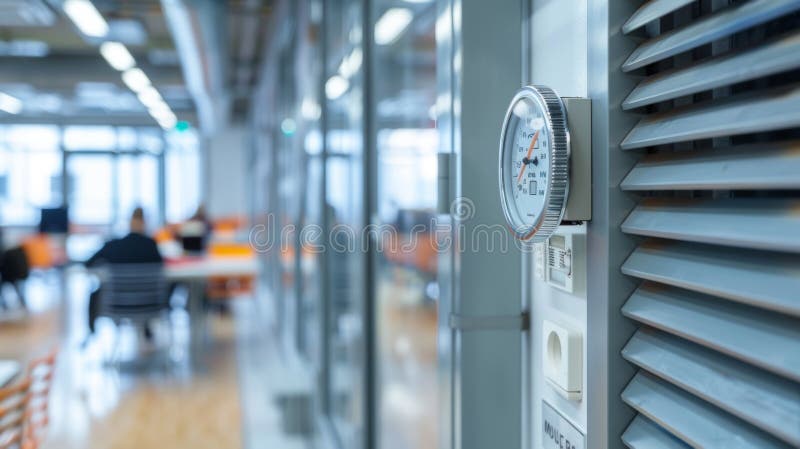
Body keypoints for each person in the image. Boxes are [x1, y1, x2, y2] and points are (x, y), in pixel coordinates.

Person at [84, 207, 163, 342]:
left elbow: (88, 263)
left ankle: (91, 332)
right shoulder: (152, 246)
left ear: (129, 222)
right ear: (144, 223)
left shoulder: (114, 246)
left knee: (95, 292)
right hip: (149, 306)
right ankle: (147, 329)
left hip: (117, 305)